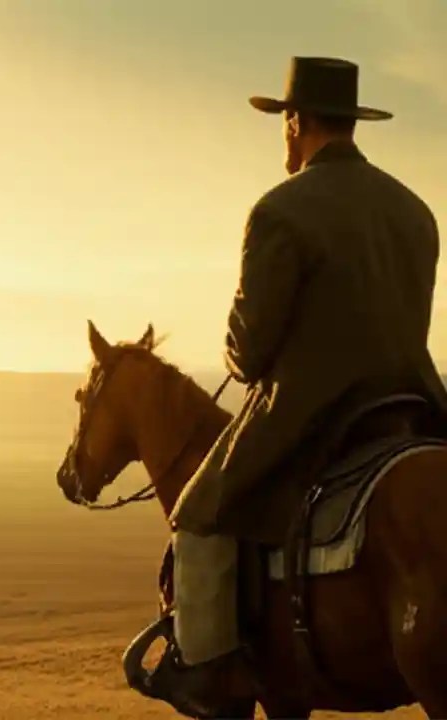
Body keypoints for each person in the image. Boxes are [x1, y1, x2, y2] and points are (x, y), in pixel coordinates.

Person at [153, 57, 447, 717]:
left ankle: (205, 675)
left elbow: (249, 353)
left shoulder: (279, 212)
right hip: (412, 406)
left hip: (314, 413)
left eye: (284, 121)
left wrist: (238, 340)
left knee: (197, 517)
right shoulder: (416, 212)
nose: (284, 134)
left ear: (297, 122)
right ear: (350, 122)